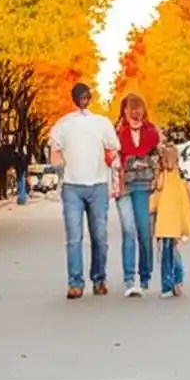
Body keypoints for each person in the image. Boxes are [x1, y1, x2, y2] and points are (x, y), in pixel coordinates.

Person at [49, 82, 120, 300]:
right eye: (80, 96)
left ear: (90, 98)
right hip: (72, 187)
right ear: (75, 98)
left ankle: (99, 279)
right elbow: (54, 149)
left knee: (100, 237)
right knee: (74, 238)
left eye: (86, 96)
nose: (83, 100)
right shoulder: (62, 124)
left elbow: (113, 147)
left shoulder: (102, 123)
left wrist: (109, 161)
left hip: (98, 185)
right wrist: (59, 164)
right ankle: (75, 283)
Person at [113, 94, 160, 297]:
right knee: (129, 230)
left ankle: (145, 275)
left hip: (143, 186)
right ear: (124, 112)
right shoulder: (115, 134)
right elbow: (111, 159)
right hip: (123, 187)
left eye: (139, 112)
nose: (135, 116)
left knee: (144, 231)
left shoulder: (152, 133)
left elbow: (158, 160)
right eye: (131, 112)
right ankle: (129, 279)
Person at [151, 144, 190, 298]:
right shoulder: (179, 179)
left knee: (167, 254)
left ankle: (167, 285)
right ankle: (177, 279)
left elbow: (155, 200)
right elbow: (186, 204)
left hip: (166, 224)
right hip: (172, 224)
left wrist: (150, 212)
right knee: (172, 251)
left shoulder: (163, 178)